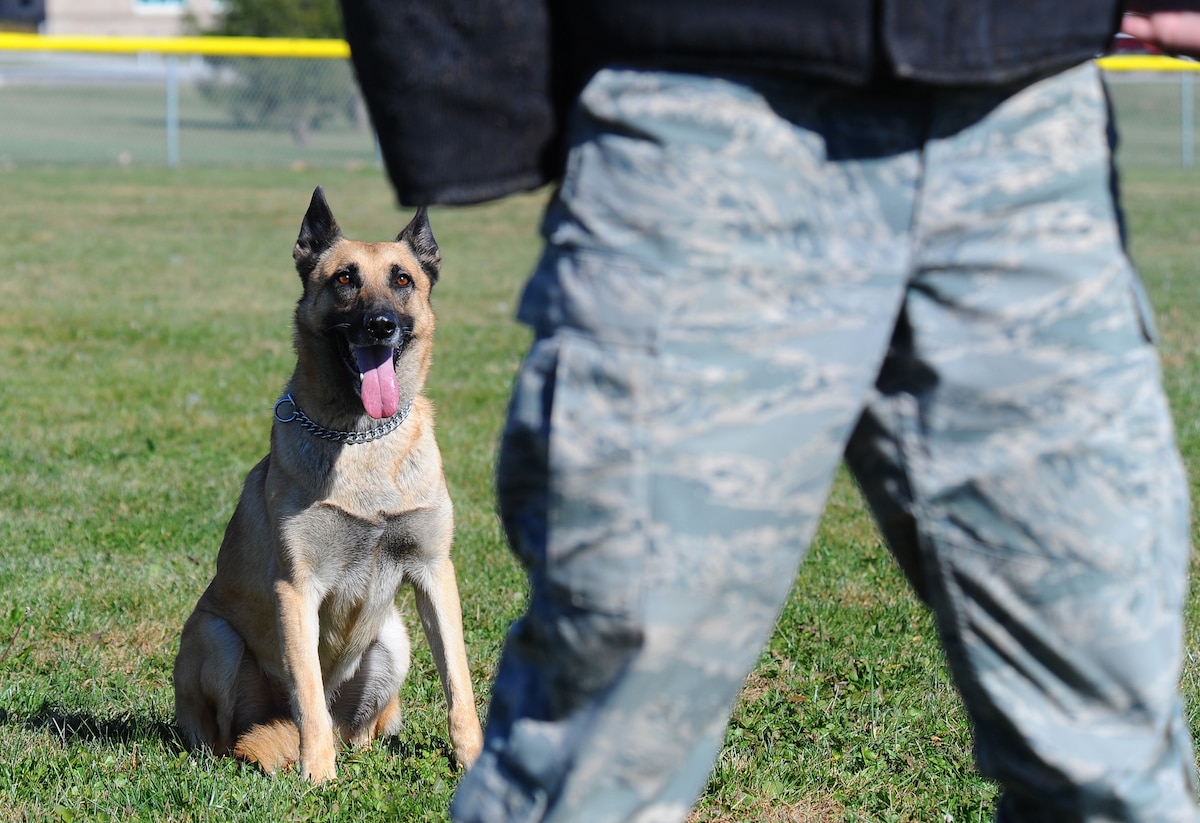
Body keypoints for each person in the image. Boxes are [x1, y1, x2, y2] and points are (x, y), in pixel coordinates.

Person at [337, 2, 1200, 820]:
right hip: (707, 105)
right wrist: (467, 90)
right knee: (600, 755)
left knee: (1115, 757)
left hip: (1029, 117)